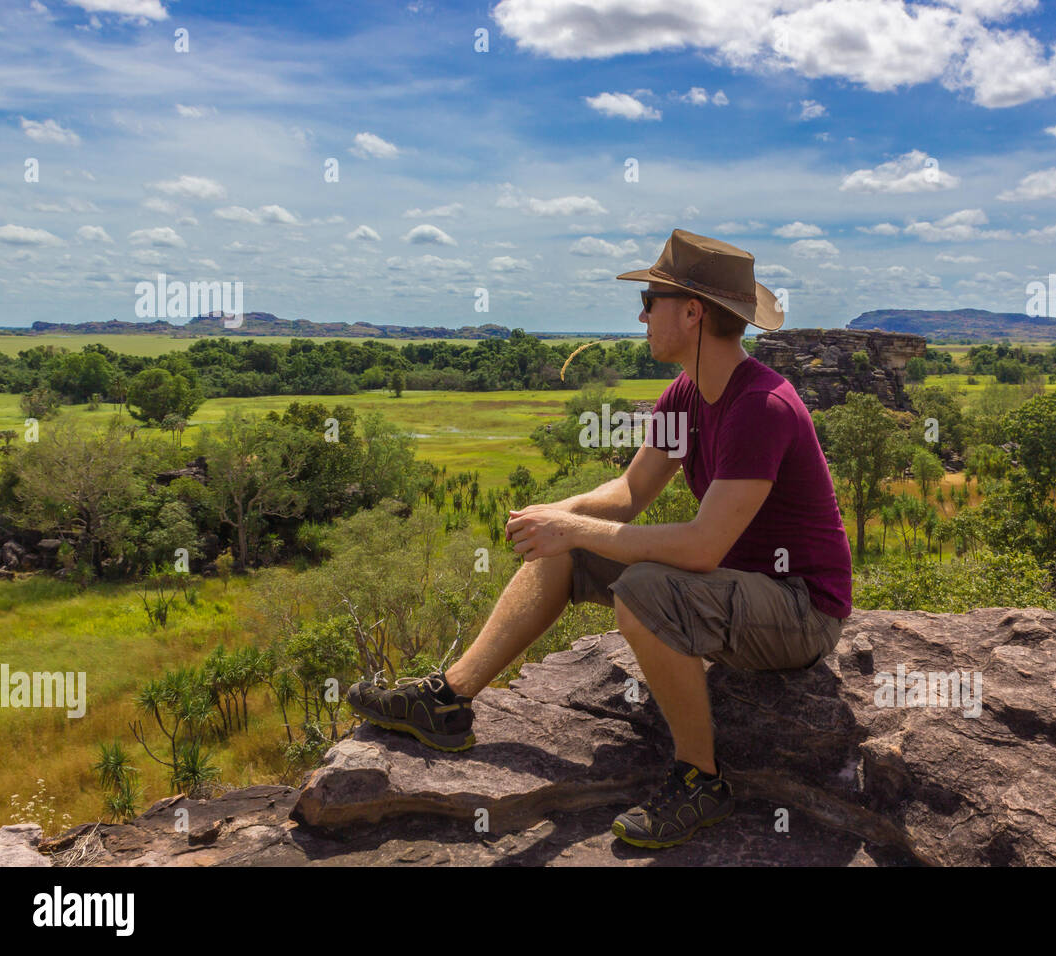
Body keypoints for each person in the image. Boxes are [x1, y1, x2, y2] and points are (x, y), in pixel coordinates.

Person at [347, 229, 853, 848]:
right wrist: (555, 516)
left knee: (644, 587)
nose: (641, 315)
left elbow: (701, 548)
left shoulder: (761, 406)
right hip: (736, 592)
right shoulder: (687, 394)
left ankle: (702, 780)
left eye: (650, 301)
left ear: (692, 312)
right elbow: (629, 493)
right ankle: (447, 701)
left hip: (800, 608)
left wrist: (573, 526)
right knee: (572, 546)